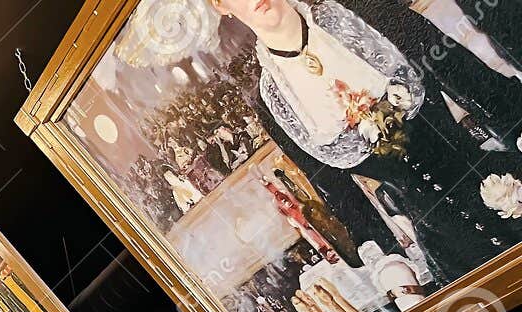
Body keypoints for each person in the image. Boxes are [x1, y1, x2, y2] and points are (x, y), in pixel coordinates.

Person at [208, 0, 522, 287]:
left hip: (502, 186)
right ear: (221, 6)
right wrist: (389, 263)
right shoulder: (272, 100)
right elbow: (340, 194)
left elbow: (472, 79)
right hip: (451, 246)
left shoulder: (367, 12)